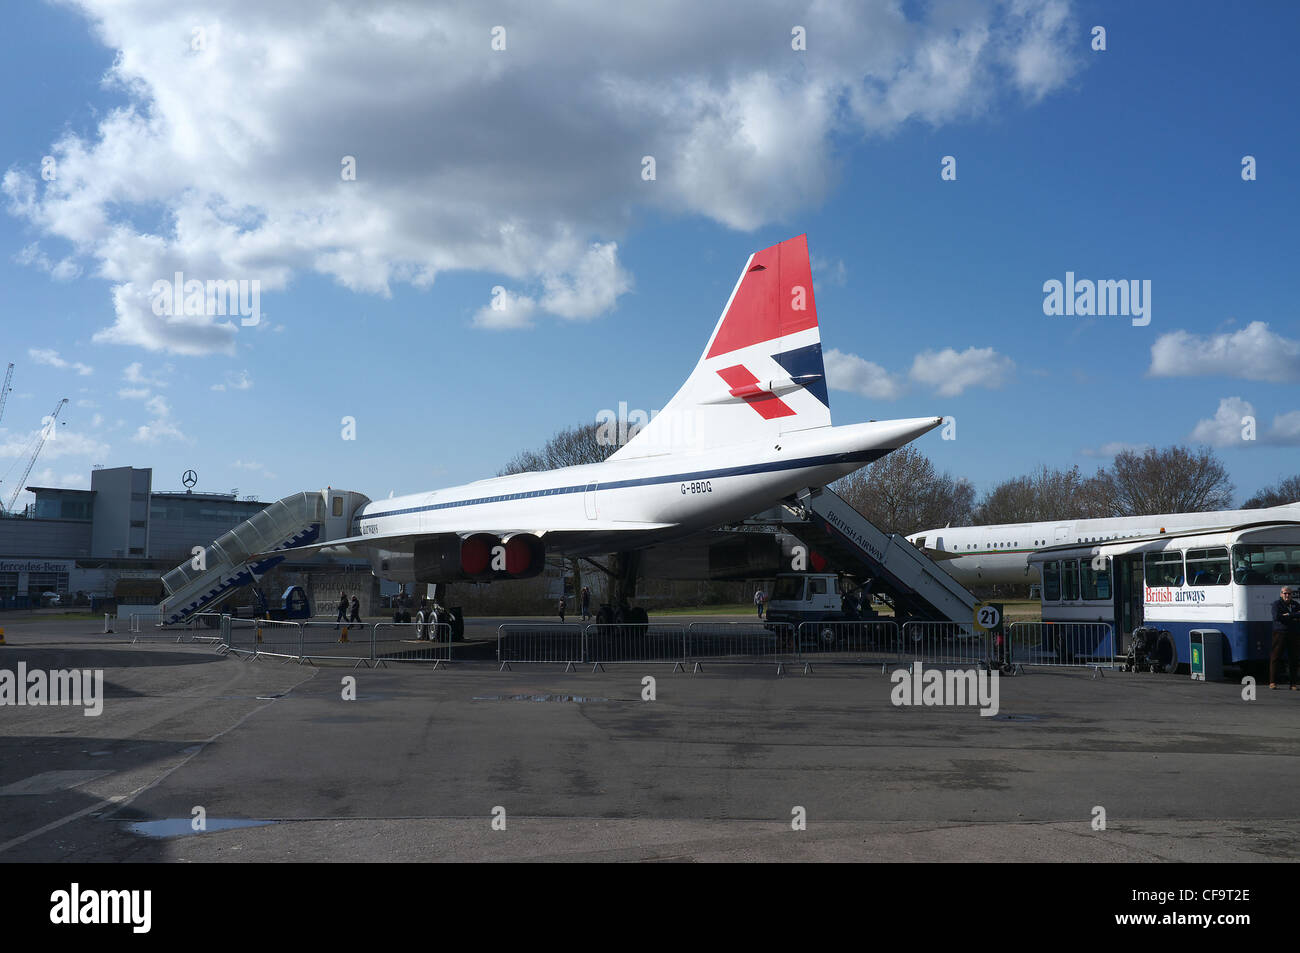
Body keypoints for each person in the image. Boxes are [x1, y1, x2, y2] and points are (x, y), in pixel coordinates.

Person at [1269, 585, 1300, 690]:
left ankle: (1293, 684)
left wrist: (1288, 615)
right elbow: (1277, 617)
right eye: (1285, 593)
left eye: (1289, 593)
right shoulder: (1276, 604)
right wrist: (1293, 616)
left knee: (1294, 659)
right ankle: (1273, 682)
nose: (1287, 595)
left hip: (1294, 634)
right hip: (1280, 633)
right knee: (1276, 657)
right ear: (1281, 594)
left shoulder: (1295, 604)